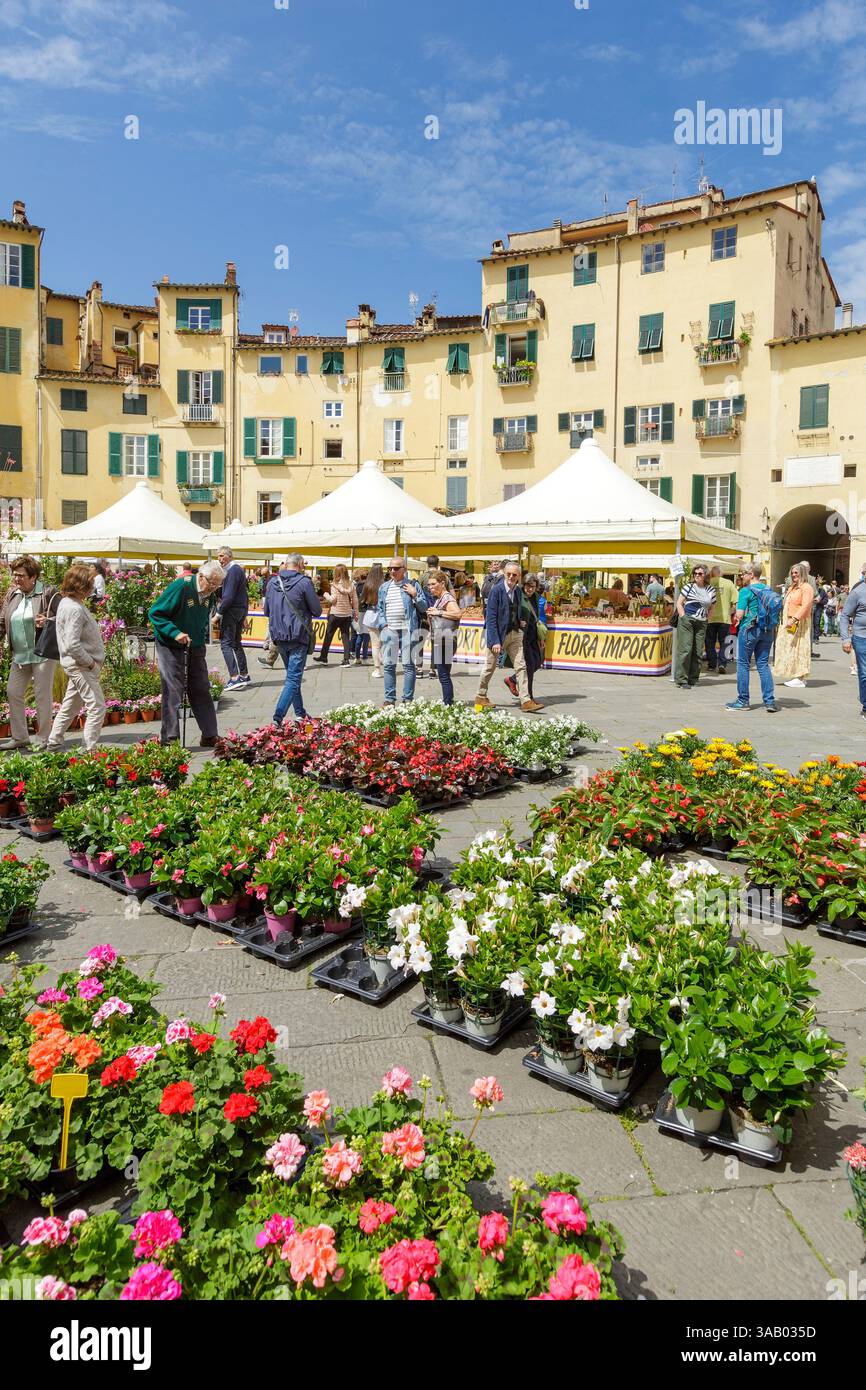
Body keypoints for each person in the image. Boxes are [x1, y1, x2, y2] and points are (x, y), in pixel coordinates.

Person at [149, 559, 225, 747]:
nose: (213, 588)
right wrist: (175, 633)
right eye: (211, 583)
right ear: (201, 576)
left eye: (217, 585)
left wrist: (198, 640)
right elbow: (155, 613)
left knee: (201, 688)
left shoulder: (210, 594)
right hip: (170, 644)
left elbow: (201, 619)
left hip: (195, 645)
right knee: (173, 690)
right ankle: (170, 739)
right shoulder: (181, 587)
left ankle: (209, 734)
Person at [46, 563, 107, 752]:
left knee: (71, 705)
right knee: (97, 706)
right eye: (89, 582)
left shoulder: (68, 603)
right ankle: (90, 751)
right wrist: (90, 664)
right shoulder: (74, 608)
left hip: (76, 664)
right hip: (81, 665)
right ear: (81, 585)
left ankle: (54, 742)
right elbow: (73, 644)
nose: (92, 586)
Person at [0, 555, 58, 751]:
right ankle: (20, 737)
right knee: (13, 692)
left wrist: (49, 619)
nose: (16, 579)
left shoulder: (48, 593)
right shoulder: (12, 595)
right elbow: (2, 622)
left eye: (20, 575)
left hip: (42, 653)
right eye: (14, 575)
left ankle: (43, 737)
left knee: (42, 695)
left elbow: (65, 616)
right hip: (20, 656)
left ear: (33, 577)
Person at [475, 560, 543, 712]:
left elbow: (517, 608)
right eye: (509, 574)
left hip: (515, 633)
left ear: (518, 576)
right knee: (489, 667)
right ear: (504, 574)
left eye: (514, 575)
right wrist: (494, 641)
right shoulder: (496, 590)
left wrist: (520, 621)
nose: (511, 577)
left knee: (522, 666)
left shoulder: (518, 591)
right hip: (499, 635)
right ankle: (480, 695)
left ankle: (525, 700)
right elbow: (491, 617)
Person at [263, 553, 322, 725]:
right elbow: (317, 610)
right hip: (298, 635)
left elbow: (266, 611)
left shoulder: (272, 582)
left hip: (279, 636)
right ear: (300, 564)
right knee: (293, 678)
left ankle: (300, 713)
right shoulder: (304, 582)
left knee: (291, 676)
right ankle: (277, 717)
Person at [726, 560, 779, 714]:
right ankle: (769, 701)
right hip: (767, 630)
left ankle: (743, 700)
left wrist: (737, 612)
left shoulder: (745, 591)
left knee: (743, 664)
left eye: (742, 573)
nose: (741, 576)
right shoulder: (767, 589)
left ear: (751, 574)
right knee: (763, 664)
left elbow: (740, 614)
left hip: (749, 630)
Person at [377, 557, 428, 707]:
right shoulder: (384, 587)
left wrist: (415, 595)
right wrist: (384, 625)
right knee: (388, 665)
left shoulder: (413, 585)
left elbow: (424, 607)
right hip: (390, 630)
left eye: (396, 568)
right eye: (390, 568)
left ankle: (407, 700)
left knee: (408, 665)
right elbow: (380, 609)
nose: (392, 571)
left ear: (404, 570)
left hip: (408, 630)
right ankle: (389, 699)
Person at [505, 573, 546, 703]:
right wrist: (517, 622)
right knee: (528, 666)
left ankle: (512, 679)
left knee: (537, 662)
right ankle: (529, 698)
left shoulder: (537, 597)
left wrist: (541, 637)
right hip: (522, 636)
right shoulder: (518, 596)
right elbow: (511, 611)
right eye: (527, 586)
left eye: (532, 586)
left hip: (533, 635)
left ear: (536, 586)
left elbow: (537, 616)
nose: (529, 589)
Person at [773, 562, 814, 688]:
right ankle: (795, 674)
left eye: (796, 572)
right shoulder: (793, 587)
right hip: (789, 620)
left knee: (799, 648)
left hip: (799, 622)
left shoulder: (807, 588)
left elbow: (806, 605)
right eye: (792, 572)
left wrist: (795, 618)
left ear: (802, 573)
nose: (793, 574)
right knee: (789, 648)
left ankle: (800, 677)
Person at [674, 565, 716, 689]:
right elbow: (679, 603)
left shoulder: (711, 590)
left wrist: (708, 620)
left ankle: (693, 678)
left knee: (698, 651)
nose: (697, 575)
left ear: (705, 575)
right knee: (685, 649)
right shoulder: (688, 587)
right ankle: (681, 680)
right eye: (695, 573)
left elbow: (712, 607)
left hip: (702, 622)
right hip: (688, 620)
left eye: (700, 573)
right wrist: (683, 616)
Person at [215, 547, 250, 691]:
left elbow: (228, 596)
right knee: (236, 642)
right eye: (218, 556)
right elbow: (244, 593)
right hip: (240, 609)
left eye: (222, 556)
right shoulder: (237, 570)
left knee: (226, 644)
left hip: (232, 610)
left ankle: (234, 677)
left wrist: (217, 615)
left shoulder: (233, 570)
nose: (219, 559)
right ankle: (244, 675)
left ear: (229, 556)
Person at [426, 570, 462, 706]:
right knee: (443, 674)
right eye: (429, 585)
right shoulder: (441, 598)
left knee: (444, 675)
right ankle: (448, 701)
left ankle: (448, 703)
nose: (431, 587)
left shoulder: (447, 598)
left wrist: (438, 612)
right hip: (443, 639)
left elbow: (457, 614)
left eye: (433, 584)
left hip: (446, 641)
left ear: (442, 583)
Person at [314, 563, 358, 666]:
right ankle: (346, 660)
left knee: (328, 636)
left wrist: (326, 594)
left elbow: (333, 600)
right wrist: (355, 612)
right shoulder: (351, 585)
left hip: (335, 613)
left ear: (336, 573)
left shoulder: (334, 584)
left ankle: (324, 657)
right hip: (346, 614)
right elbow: (355, 599)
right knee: (345, 636)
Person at [840, 560, 866, 721]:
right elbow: (845, 616)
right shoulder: (857, 592)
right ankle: (865, 705)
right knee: (864, 673)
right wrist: (845, 639)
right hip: (861, 637)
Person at [705, 565, 737, 675]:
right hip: (725, 618)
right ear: (722, 573)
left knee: (710, 641)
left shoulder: (707, 583)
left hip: (710, 617)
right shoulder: (729, 583)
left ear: (712, 573)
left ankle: (712, 664)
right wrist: (731, 612)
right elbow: (735, 603)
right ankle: (722, 663)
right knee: (724, 642)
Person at [359, 563, 385, 678]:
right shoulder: (385, 585)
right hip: (383, 615)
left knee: (375, 645)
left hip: (370, 614)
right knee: (385, 643)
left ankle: (377, 669)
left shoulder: (367, 585)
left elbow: (362, 600)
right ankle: (386, 664)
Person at [351, 568, 371, 665]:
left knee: (359, 635)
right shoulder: (367, 587)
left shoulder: (356, 587)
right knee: (366, 636)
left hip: (358, 612)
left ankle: (357, 657)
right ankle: (365, 658)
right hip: (366, 612)